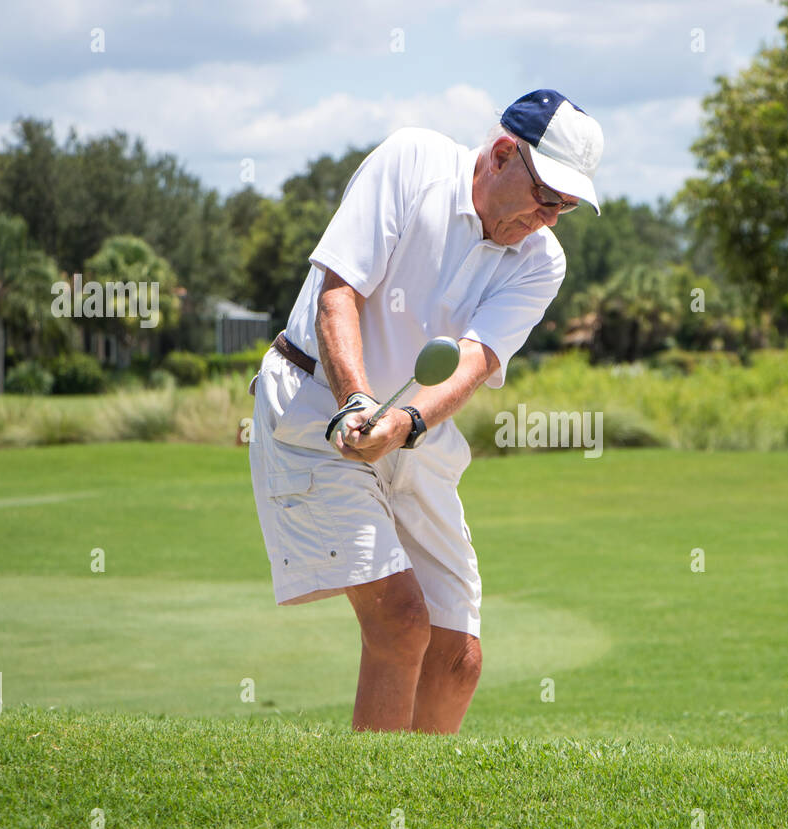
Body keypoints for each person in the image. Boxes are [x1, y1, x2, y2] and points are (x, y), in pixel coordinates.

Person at [248, 89, 604, 733]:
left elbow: (474, 360)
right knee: (401, 622)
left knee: (457, 656)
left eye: (566, 207)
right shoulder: (412, 161)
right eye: (546, 198)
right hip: (313, 408)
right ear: (502, 155)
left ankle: (423, 809)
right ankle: (374, 810)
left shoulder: (541, 261)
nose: (548, 219)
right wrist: (358, 402)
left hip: (415, 436)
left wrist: (406, 423)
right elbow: (338, 294)